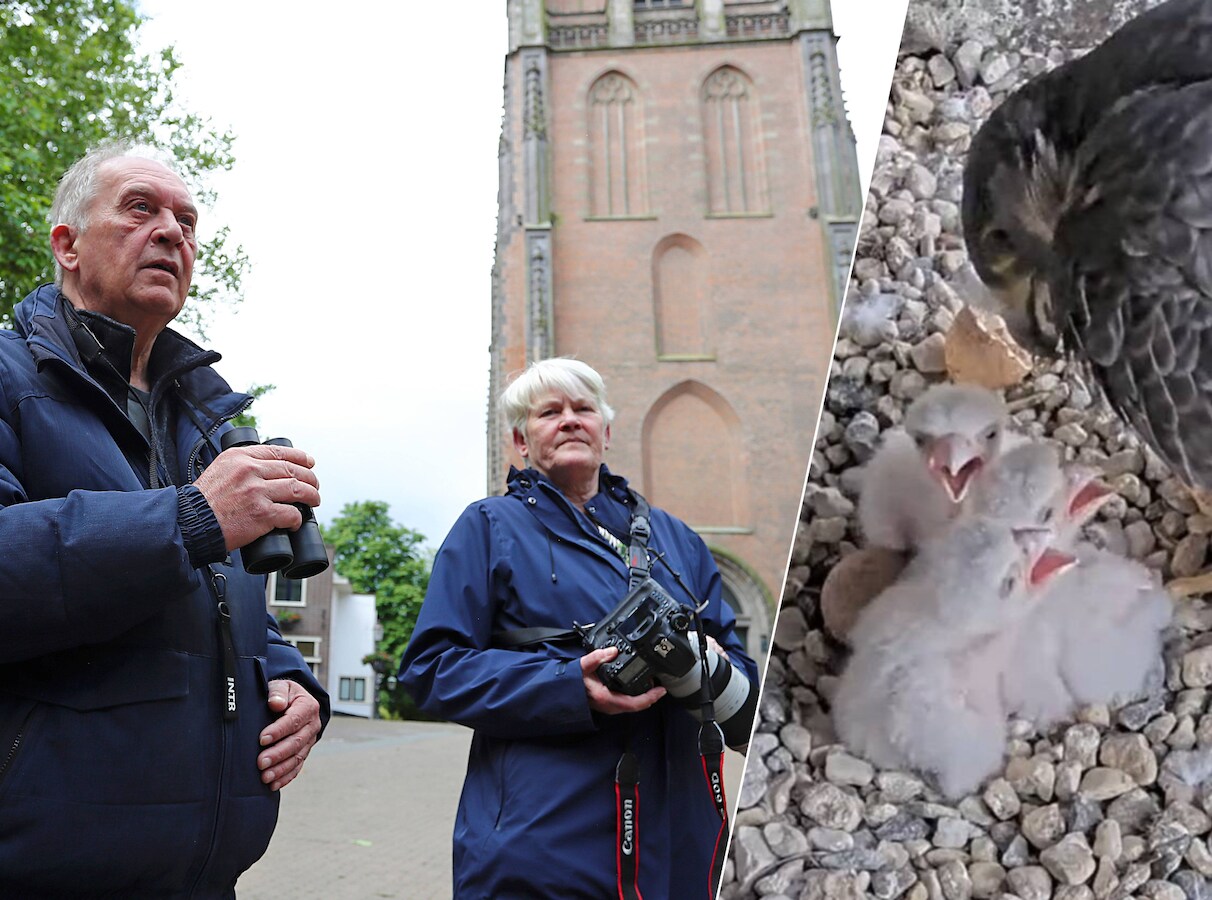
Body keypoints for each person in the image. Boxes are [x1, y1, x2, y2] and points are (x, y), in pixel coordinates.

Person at [0, 141, 330, 897]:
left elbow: (226, 604)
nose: (172, 233)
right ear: (67, 244)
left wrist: (290, 682)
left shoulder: (207, 419)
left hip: (206, 875)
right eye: (140, 209)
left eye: (186, 221)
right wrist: (191, 519)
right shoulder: (7, 376)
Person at [400, 357, 759, 899]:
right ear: (521, 442)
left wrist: (714, 668)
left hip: (682, 842)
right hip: (548, 846)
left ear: (606, 433)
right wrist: (569, 686)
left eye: (583, 409)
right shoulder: (489, 526)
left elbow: (744, 674)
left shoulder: (677, 538)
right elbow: (430, 669)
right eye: (549, 412)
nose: (570, 420)